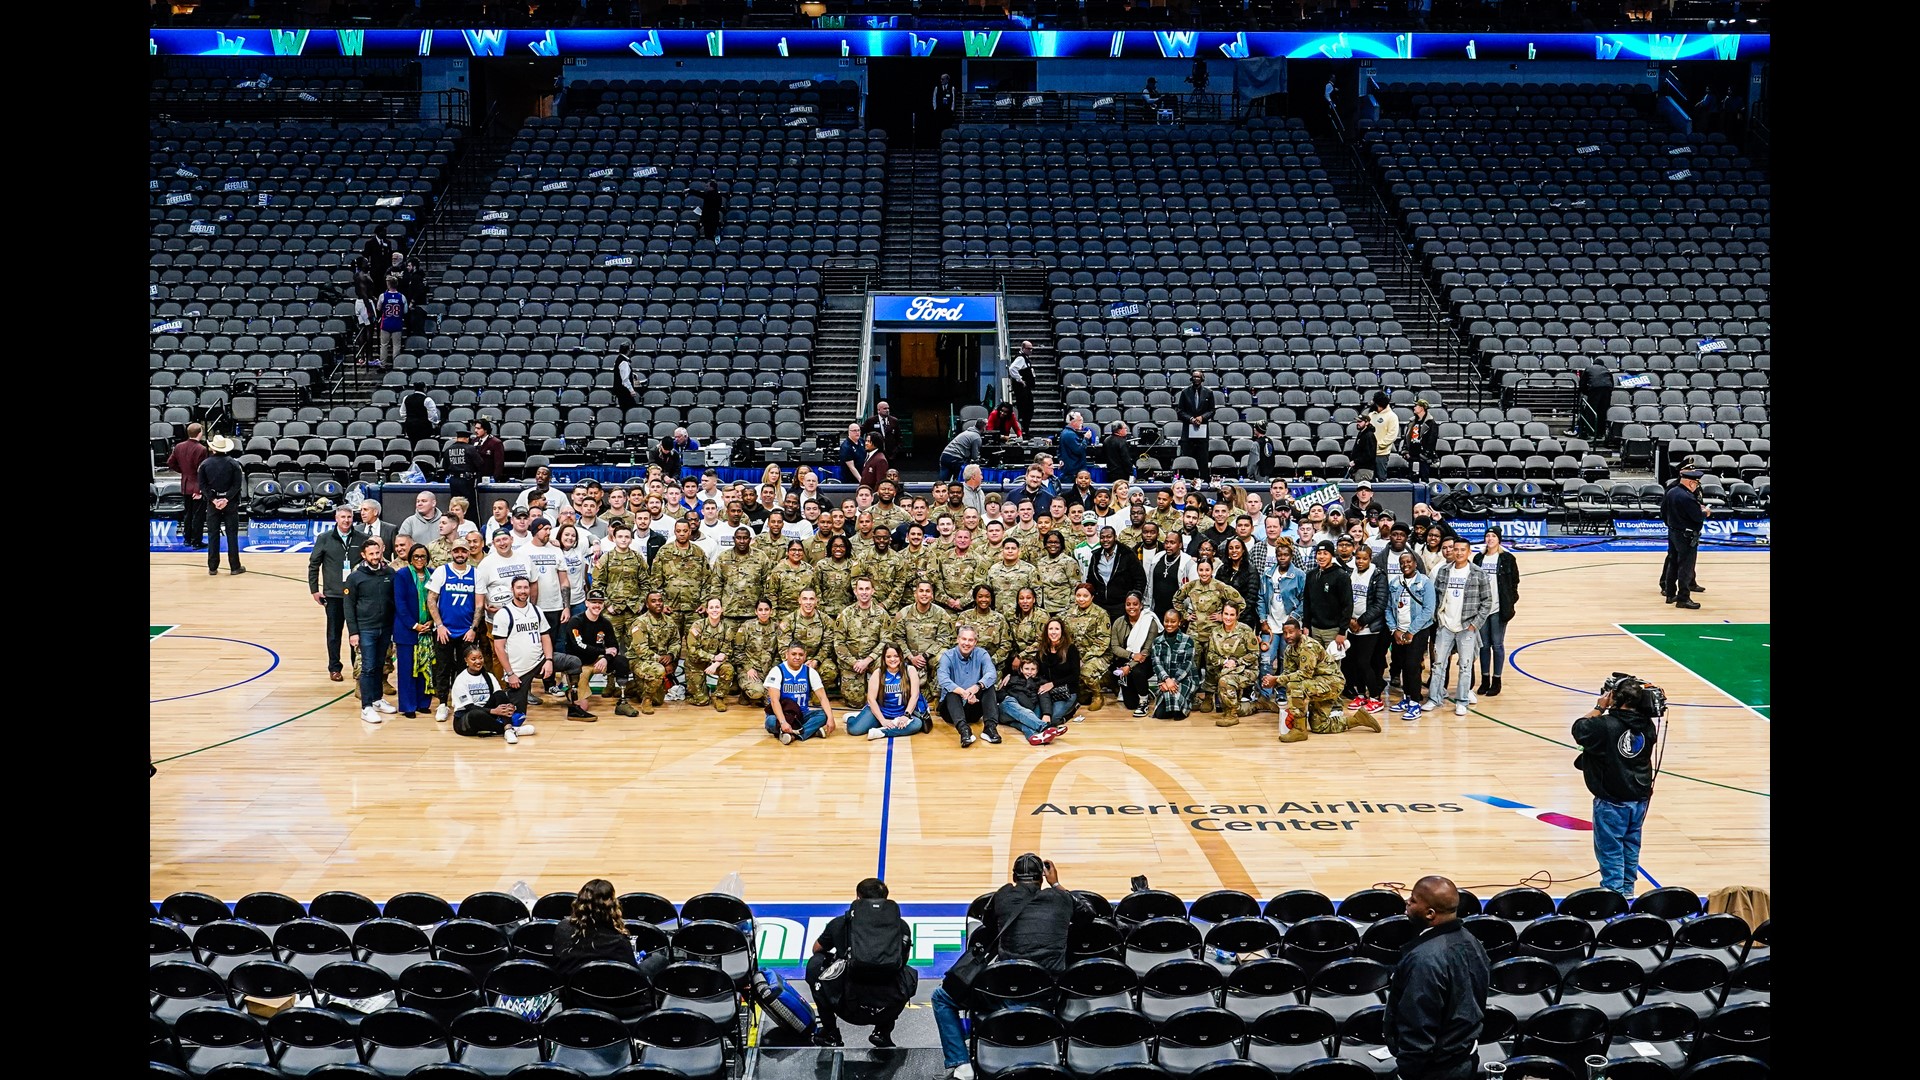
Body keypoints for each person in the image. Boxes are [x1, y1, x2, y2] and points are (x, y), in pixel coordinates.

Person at [933, 854, 1091, 1080]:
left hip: (1001, 993)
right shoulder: (1061, 898)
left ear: (1014, 877)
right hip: (1047, 995)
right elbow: (1088, 913)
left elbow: (987, 923)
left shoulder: (1003, 895)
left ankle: (962, 1065)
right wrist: (1056, 884)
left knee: (941, 998)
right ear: (1042, 877)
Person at [1384, 876, 1490, 1080]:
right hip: (1466, 1059)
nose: (1407, 901)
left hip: (1434, 1071)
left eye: (1414, 900)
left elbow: (1419, 1029)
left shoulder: (1423, 961)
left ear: (1430, 913)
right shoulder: (1473, 942)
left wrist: (1405, 1074)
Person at [1573, 678, 1661, 899]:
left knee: (1610, 849)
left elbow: (1579, 728)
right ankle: (1628, 889)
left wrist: (1599, 707)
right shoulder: (1647, 726)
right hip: (1639, 796)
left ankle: (1614, 895)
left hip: (1613, 799)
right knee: (1631, 845)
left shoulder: (1604, 725)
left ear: (1614, 698)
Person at [808, 878, 916, 1049]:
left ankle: (830, 1033)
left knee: (815, 965)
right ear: (886, 899)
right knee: (906, 971)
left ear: (857, 897)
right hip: (886, 1007)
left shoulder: (840, 923)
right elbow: (902, 962)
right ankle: (882, 1032)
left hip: (846, 1006)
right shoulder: (901, 927)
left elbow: (816, 950)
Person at [493, 576, 583, 721]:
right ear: (512, 590)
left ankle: (575, 703)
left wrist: (548, 660)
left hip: (540, 660)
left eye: (526, 587)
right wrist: (510, 673)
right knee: (517, 718)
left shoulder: (536, 610)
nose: (523, 591)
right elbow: (498, 648)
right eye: (519, 588)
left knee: (574, 662)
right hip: (519, 671)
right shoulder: (504, 614)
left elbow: (545, 637)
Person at [1275, 615, 1378, 741]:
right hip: (1317, 683)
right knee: (1319, 726)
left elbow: (1304, 674)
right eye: (1285, 633)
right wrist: (1277, 680)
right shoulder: (1290, 650)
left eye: (1291, 632)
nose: (1287, 636)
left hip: (1332, 683)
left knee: (1294, 686)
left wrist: (1276, 680)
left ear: (1299, 631)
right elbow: (1288, 672)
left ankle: (1300, 730)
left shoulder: (1308, 646)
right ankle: (1358, 719)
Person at [1425, 537, 1495, 716]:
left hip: (1467, 627)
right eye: (1455, 549)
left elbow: (1487, 601)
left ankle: (1462, 700)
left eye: (1462, 550)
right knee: (1438, 664)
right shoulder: (1443, 572)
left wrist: (1475, 624)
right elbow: (1436, 597)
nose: (1458, 553)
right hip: (1445, 626)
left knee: (1465, 665)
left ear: (1468, 551)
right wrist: (1438, 618)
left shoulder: (1478, 573)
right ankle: (1434, 698)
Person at [344, 538, 397, 723]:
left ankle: (377, 699)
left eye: (377, 553)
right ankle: (366, 707)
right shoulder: (355, 578)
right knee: (367, 667)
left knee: (379, 665)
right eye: (371, 554)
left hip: (385, 628)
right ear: (363, 555)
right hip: (365, 629)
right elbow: (348, 607)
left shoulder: (390, 573)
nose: (375, 557)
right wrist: (353, 632)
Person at [309, 505, 360, 682]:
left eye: (349, 517)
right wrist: (314, 589)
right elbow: (314, 564)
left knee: (357, 632)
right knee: (334, 633)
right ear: (336, 519)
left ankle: (357, 667)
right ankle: (334, 668)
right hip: (333, 594)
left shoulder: (362, 538)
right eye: (343, 517)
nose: (346, 520)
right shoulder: (324, 538)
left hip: (356, 595)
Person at [565, 588, 632, 717]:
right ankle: (571, 691)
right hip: (577, 665)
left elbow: (614, 647)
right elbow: (579, 646)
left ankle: (623, 700)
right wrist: (603, 651)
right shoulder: (576, 621)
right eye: (593, 602)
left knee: (621, 660)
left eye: (600, 602)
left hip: (596, 661)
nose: (597, 605)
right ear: (586, 603)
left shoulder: (605, 623)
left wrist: (605, 658)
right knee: (583, 707)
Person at [447, 644, 534, 743]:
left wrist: (508, 706)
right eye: (473, 659)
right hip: (466, 719)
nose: (478, 662)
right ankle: (511, 729)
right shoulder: (461, 680)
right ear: (466, 661)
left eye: (480, 658)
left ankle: (508, 729)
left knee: (500, 694)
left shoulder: (489, 676)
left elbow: (499, 696)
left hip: (487, 712)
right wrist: (494, 711)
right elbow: (469, 707)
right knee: (476, 714)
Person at [1342, 544, 1391, 716]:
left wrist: (1361, 621)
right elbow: (1345, 598)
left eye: (1364, 558)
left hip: (1370, 628)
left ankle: (1376, 697)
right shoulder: (1349, 573)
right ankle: (1361, 694)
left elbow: (1380, 604)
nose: (1360, 561)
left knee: (1365, 663)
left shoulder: (1378, 575)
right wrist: (1349, 620)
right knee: (1354, 663)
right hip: (1351, 626)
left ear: (1370, 558)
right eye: (1358, 558)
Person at [1471, 528, 1520, 697]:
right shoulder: (1478, 558)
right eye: (1487, 536)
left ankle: (1496, 679)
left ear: (1499, 539)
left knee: (1497, 644)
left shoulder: (1507, 558)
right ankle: (1485, 679)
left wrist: (1510, 601)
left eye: (1493, 536)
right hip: (1482, 608)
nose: (1490, 538)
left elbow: (1515, 582)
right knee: (1483, 645)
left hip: (1500, 608)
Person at [1388, 551, 1436, 721]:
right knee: (1401, 665)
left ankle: (1415, 703)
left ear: (1415, 563)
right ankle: (1407, 698)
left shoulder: (1425, 583)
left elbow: (1428, 610)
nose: (1405, 565)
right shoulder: (1395, 582)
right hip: (1399, 632)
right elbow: (1388, 608)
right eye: (1402, 562)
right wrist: (1395, 630)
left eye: (1409, 561)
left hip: (1418, 631)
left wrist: (1411, 631)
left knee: (1412, 666)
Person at [847, 644, 931, 740]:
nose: (892, 659)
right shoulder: (878, 673)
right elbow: (871, 699)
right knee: (855, 730)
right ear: (884, 658)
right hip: (881, 712)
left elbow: (915, 695)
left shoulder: (910, 670)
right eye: (888, 656)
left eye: (896, 656)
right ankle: (854, 717)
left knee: (917, 724)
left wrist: (906, 716)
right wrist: (882, 720)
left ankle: (881, 732)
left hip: (902, 713)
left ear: (901, 657)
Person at [552, 879, 635, 976]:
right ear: (612, 908)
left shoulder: (562, 928)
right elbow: (635, 976)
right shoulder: (619, 942)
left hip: (570, 988)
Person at [392, 544, 436, 719]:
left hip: (428, 629)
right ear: (410, 558)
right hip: (407, 630)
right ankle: (408, 706)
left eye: (423, 556)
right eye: (416, 556)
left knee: (425, 666)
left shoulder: (432, 574)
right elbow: (400, 604)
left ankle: (423, 703)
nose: (420, 560)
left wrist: (432, 621)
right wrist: (414, 625)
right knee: (407, 669)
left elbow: (437, 599)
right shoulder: (402, 575)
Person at [937, 625, 1000, 748]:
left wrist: (977, 687)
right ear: (957, 639)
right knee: (951, 692)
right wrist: (963, 693)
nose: (966, 643)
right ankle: (964, 731)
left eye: (970, 640)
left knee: (989, 686)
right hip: (951, 710)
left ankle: (990, 729)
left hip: (973, 706)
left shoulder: (982, 654)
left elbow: (992, 674)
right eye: (963, 639)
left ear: (975, 642)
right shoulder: (947, 656)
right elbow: (943, 679)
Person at [764, 641, 837, 745]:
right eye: (794, 654)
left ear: (805, 656)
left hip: (802, 714)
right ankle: (810, 732)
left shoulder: (810, 672)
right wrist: (783, 722)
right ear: (786, 655)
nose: (797, 657)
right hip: (783, 714)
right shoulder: (777, 671)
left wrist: (831, 718)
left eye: (801, 655)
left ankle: (792, 735)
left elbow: (823, 698)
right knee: (770, 721)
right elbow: (774, 701)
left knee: (823, 715)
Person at [197, 434, 246, 576]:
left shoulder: (205, 464)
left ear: (213, 449)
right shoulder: (234, 463)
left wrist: (213, 499)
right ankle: (235, 566)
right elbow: (237, 485)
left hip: (212, 504)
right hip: (230, 504)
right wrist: (226, 499)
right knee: (232, 535)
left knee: (212, 534)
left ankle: (212, 567)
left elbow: (202, 485)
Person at [1660, 466, 1707, 609]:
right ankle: (1683, 598)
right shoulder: (1687, 497)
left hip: (1673, 532)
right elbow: (1697, 517)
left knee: (1672, 563)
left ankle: (1670, 594)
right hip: (1686, 535)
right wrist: (1705, 512)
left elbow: (1663, 512)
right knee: (1686, 567)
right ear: (1691, 482)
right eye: (1696, 483)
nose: (1697, 486)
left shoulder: (1671, 492)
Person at [1000, 655, 1072, 746]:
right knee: (1008, 702)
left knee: (1026, 721)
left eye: (1033, 669)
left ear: (1037, 670)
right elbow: (999, 693)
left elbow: (1044, 697)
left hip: (1028, 712)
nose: (1029, 672)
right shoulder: (1012, 679)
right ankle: (1045, 727)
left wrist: (1047, 714)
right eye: (1026, 669)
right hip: (1008, 711)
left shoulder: (1041, 682)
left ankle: (1035, 737)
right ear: (1021, 669)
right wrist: (1006, 695)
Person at [1109, 592, 1160, 716]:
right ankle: (1138, 689)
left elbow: (1145, 652)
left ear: (1141, 605)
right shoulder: (1118, 622)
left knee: (1137, 672)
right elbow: (1115, 647)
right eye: (1128, 604)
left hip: (1144, 662)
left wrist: (1129, 667)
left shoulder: (1150, 622)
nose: (1131, 607)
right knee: (1130, 704)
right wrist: (1131, 655)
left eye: (1135, 604)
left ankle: (1144, 701)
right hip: (1125, 659)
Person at [1147, 608, 1202, 720]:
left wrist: (1174, 681)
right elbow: (1156, 663)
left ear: (1179, 622)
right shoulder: (1157, 641)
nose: (1169, 624)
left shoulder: (1188, 640)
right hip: (1165, 681)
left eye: (1173, 621)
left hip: (1184, 679)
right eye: (1166, 621)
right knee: (1161, 715)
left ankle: (1187, 702)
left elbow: (1186, 665)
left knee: (1178, 715)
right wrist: (1167, 680)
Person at [164, 423, 211, 550]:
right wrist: (199, 489)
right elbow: (202, 471)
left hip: (185, 484)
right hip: (197, 485)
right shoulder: (201, 449)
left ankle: (187, 539)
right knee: (198, 515)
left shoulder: (179, 446)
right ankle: (196, 541)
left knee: (188, 513)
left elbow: (170, 462)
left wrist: (183, 472)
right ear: (200, 433)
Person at [1175, 369, 1217, 479]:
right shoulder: (1185, 393)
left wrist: (1201, 418)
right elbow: (1180, 411)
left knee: (1203, 460)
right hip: (1188, 432)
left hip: (1202, 432)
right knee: (1188, 461)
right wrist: (1191, 419)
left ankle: (1204, 482)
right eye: (1194, 377)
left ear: (1202, 379)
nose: (1196, 379)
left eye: (1198, 377)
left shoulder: (1209, 393)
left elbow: (1212, 411)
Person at [1402, 400, 1440, 483]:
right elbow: (1407, 437)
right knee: (1413, 479)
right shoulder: (1412, 422)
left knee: (1424, 479)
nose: (1414, 408)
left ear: (1422, 408)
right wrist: (1405, 451)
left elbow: (1432, 440)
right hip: (1412, 455)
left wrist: (1425, 455)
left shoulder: (1431, 423)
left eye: (1416, 406)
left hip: (1423, 457)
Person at [376, 275, 407, 366]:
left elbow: (378, 308)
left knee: (384, 345)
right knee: (396, 346)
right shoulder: (402, 297)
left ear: (388, 284)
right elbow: (405, 311)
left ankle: (383, 364)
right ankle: (396, 364)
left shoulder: (383, 296)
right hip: (397, 323)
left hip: (386, 323)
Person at [1366, 391, 1399, 477]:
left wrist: (1378, 445)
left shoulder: (1392, 416)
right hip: (1369, 454)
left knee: (1381, 478)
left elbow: (1392, 435)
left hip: (1382, 454)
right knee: (1369, 478)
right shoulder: (1371, 415)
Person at [1057, 411, 1093, 483]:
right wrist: (1086, 438)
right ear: (1073, 422)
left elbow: (1059, 450)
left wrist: (1060, 459)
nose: (1081, 423)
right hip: (1074, 471)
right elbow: (1078, 450)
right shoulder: (1070, 434)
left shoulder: (1066, 432)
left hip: (1072, 469)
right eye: (1080, 420)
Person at [400, 378, 439, 445]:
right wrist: (435, 423)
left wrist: (410, 420)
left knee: (413, 444)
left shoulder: (406, 398)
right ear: (425, 389)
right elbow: (432, 415)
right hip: (424, 427)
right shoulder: (428, 400)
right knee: (423, 445)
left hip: (410, 426)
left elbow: (402, 413)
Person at [1008, 342, 1036, 430]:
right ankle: (1024, 428)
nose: (1030, 350)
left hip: (1026, 388)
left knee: (1028, 409)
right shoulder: (1020, 358)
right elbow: (1012, 368)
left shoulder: (1025, 358)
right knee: (1026, 409)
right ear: (1023, 348)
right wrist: (1019, 379)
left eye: (1031, 349)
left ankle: (1025, 428)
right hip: (1022, 389)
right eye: (1028, 349)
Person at [611, 342, 640, 411]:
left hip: (620, 391)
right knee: (630, 410)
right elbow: (625, 380)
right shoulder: (624, 362)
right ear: (628, 351)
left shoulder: (618, 359)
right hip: (624, 392)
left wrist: (632, 374)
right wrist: (631, 390)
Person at [929, 72, 958, 137]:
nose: (941, 80)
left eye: (943, 79)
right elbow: (934, 98)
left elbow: (953, 99)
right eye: (941, 79)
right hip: (939, 110)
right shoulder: (937, 87)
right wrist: (935, 108)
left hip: (948, 111)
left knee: (947, 126)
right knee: (939, 127)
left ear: (947, 80)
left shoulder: (952, 88)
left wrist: (952, 109)